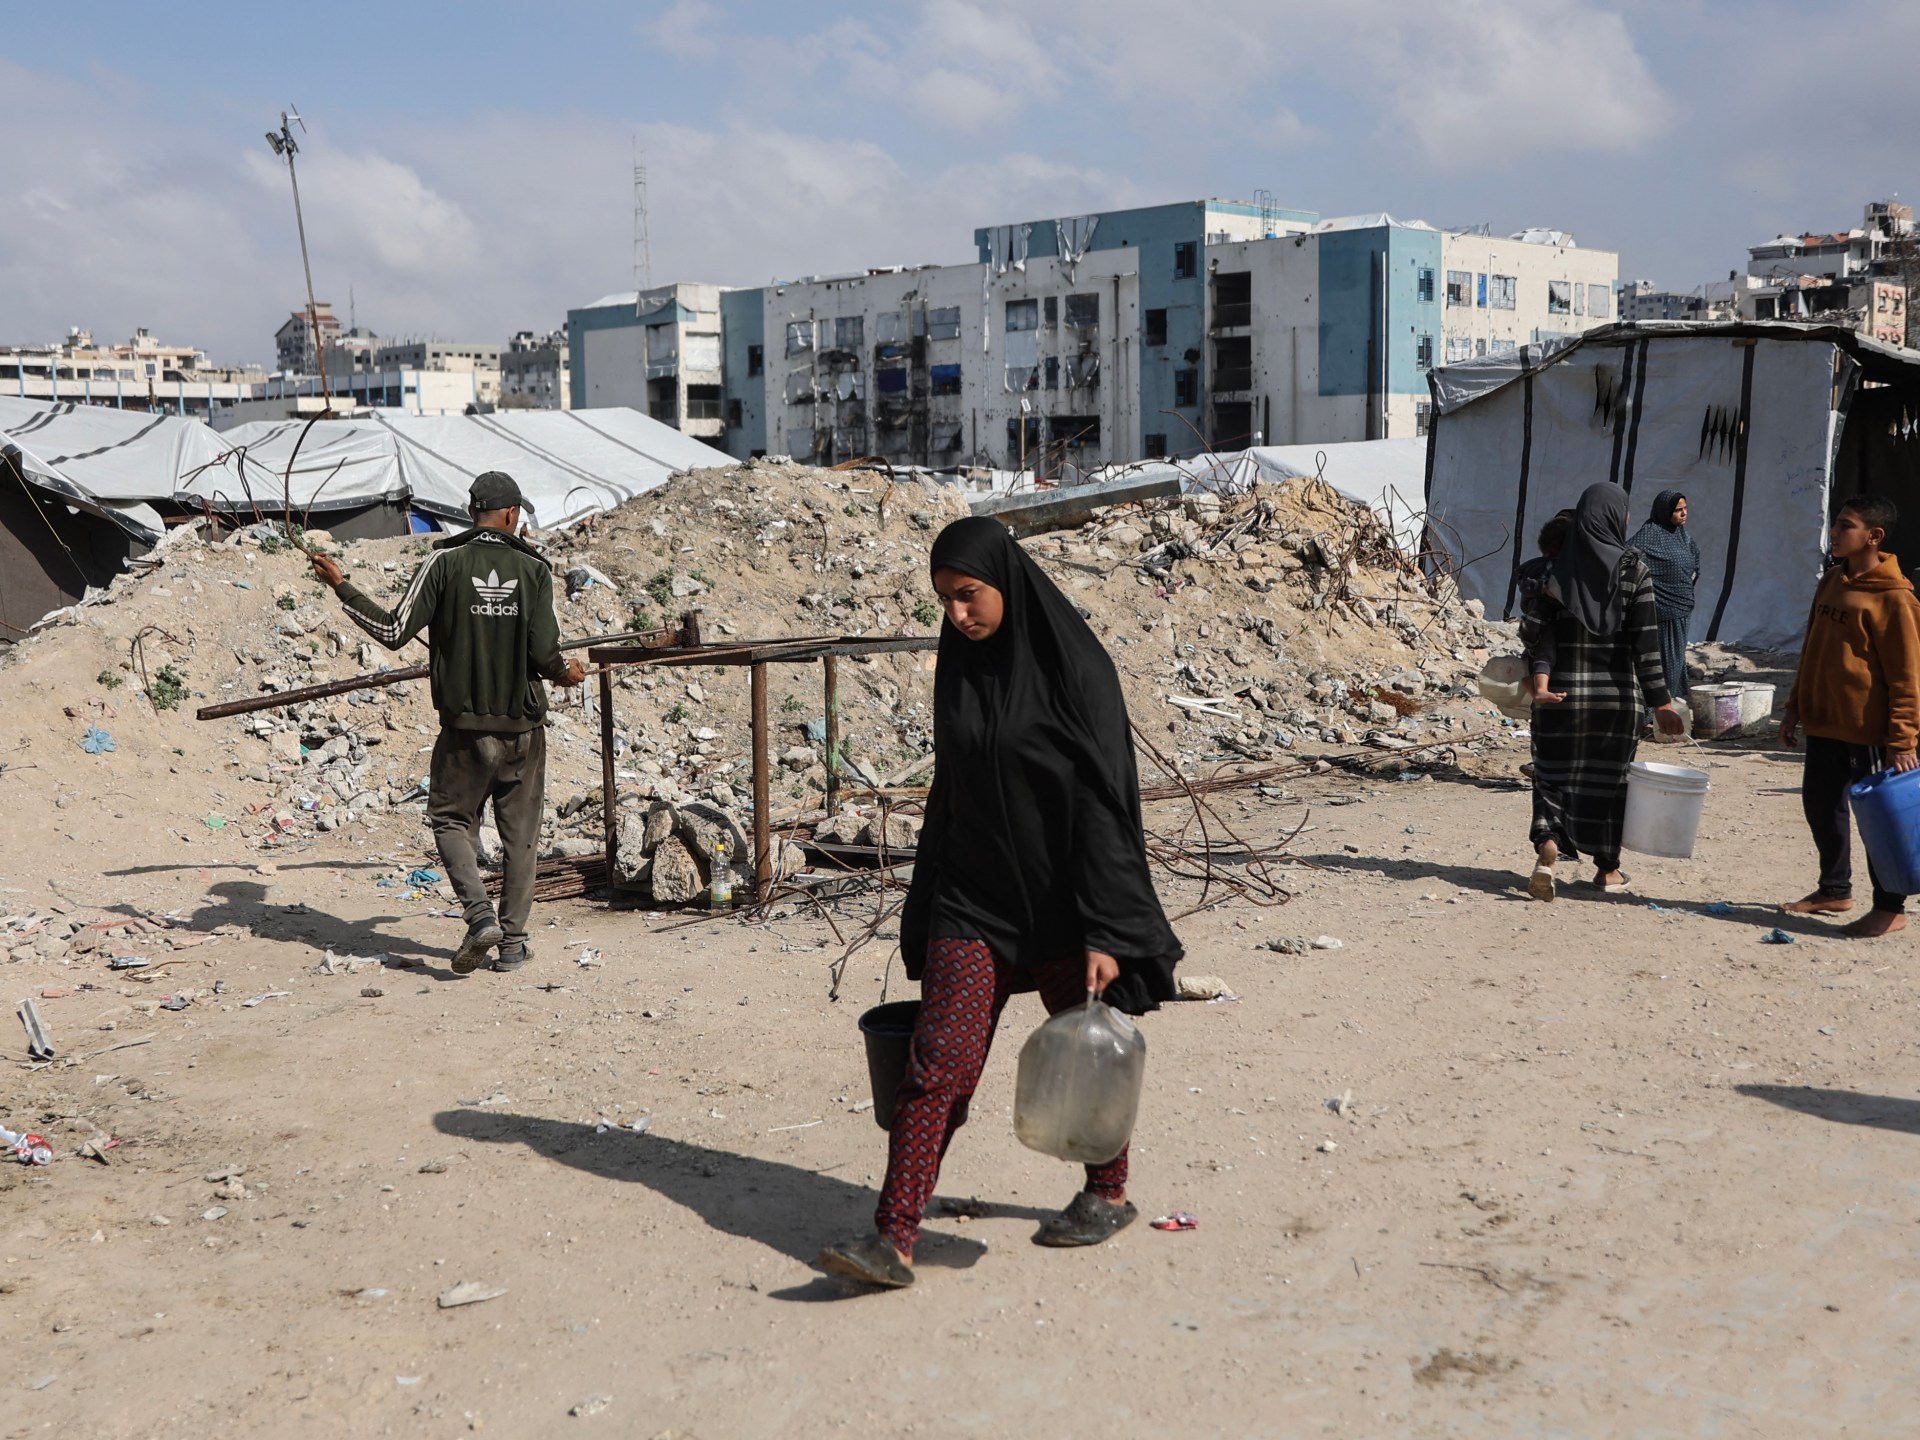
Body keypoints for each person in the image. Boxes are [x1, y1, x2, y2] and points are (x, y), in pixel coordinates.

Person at [817, 516, 1182, 1289]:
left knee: (1082, 1052)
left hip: (1061, 903)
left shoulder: (1077, 674)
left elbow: (1104, 809)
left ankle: (1106, 1191)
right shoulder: (961, 664)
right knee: (936, 1061)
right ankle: (894, 1236)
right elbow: (953, 786)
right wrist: (930, 903)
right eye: (944, 600)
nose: (957, 615)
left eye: (969, 595)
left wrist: (1107, 926)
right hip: (974, 898)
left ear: (1005, 584)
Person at [310, 472, 585, 973]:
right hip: (524, 730)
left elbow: (393, 630)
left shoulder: (443, 561)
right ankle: (513, 945)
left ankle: (480, 916)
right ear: (509, 515)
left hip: (463, 730)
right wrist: (567, 673)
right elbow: (546, 655)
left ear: (471, 510)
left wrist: (342, 586)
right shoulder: (534, 567)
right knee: (520, 836)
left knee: (451, 820)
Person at [1520, 483, 1687, 902]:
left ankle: (1548, 851)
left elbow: (1533, 635)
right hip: (1616, 703)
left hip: (1558, 698)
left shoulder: (1551, 571)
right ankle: (1607, 870)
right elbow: (1647, 646)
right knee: (1609, 786)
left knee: (1552, 779)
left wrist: (1537, 677)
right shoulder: (1634, 569)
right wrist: (1662, 702)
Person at [1780, 495, 1920, 939]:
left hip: (1870, 732)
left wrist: (1903, 739)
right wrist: (1794, 707)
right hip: (1824, 723)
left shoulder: (1896, 599)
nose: (1836, 532)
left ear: (1873, 537)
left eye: (1846, 525)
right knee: (1821, 807)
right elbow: (1812, 649)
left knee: (1879, 819)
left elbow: (1907, 677)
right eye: (1837, 524)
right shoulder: (1832, 581)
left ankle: (1890, 907)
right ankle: (1834, 889)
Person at [1628, 490, 1701, 701]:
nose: (1684, 513)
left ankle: (1667, 705)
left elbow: (1693, 561)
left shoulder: (1682, 536)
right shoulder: (1651, 533)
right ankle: (1653, 711)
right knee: (1660, 661)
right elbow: (1626, 556)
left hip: (1681, 608)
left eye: (1685, 508)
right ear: (1664, 511)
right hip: (1660, 611)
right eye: (1678, 510)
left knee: (1675, 660)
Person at [1518, 509, 1575, 706]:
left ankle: (1533, 681)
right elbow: (1527, 584)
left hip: (1532, 620)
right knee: (1546, 654)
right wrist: (1545, 589)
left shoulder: (1537, 564)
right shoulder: (1554, 567)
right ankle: (1540, 689)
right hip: (1542, 621)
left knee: (1539, 654)